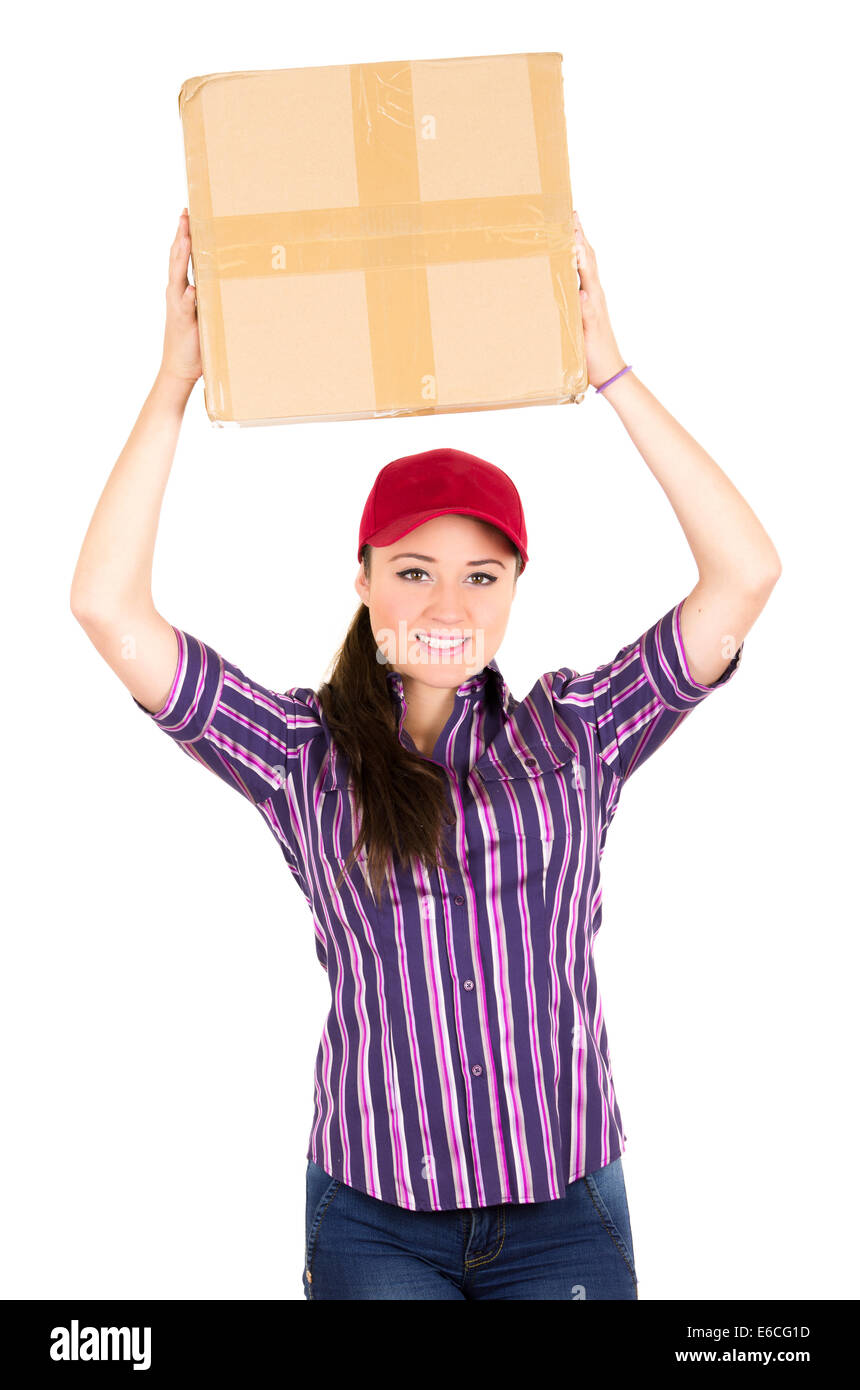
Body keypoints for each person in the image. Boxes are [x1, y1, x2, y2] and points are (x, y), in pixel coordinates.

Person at [70, 208, 781, 1301]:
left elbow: (745, 574)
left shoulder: (578, 731)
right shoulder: (300, 752)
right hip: (374, 1216)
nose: (448, 606)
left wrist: (610, 371)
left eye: (480, 577)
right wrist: (174, 383)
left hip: (563, 1210)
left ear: (514, 589)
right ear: (362, 581)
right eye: (413, 572)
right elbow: (108, 609)